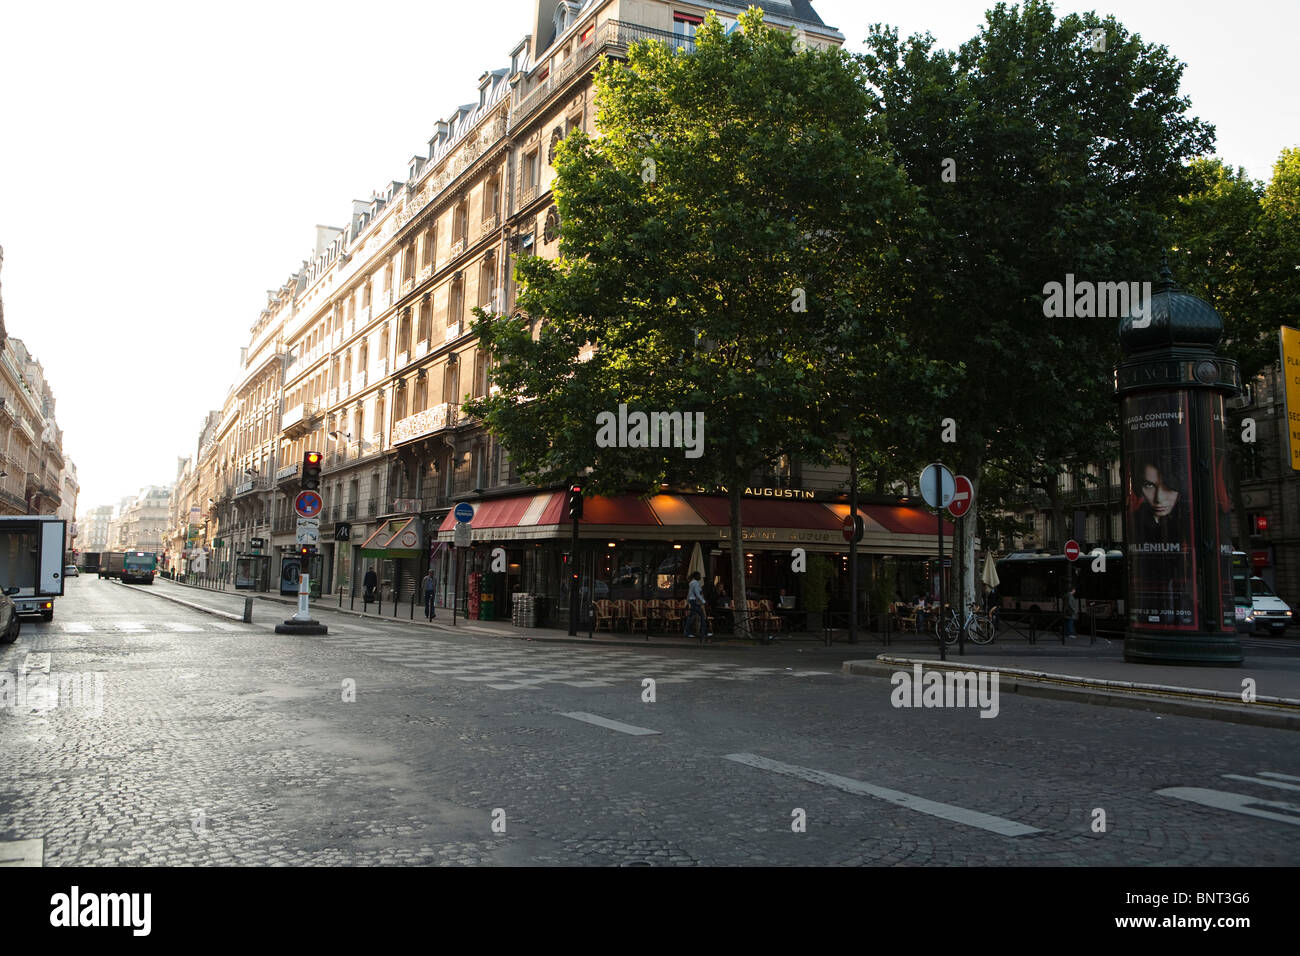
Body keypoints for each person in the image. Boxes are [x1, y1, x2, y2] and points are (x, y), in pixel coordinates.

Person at [683, 571, 711, 639]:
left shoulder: (692, 583)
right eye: (699, 576)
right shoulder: (695, 583)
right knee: (702, 616)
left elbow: (693, 593)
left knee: (691, 617)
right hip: (694, 601)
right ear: (696, 576)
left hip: (692, 601)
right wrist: (704, 602)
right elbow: (697, 594)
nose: (700, 577)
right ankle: (704, 632)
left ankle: (687, 632)